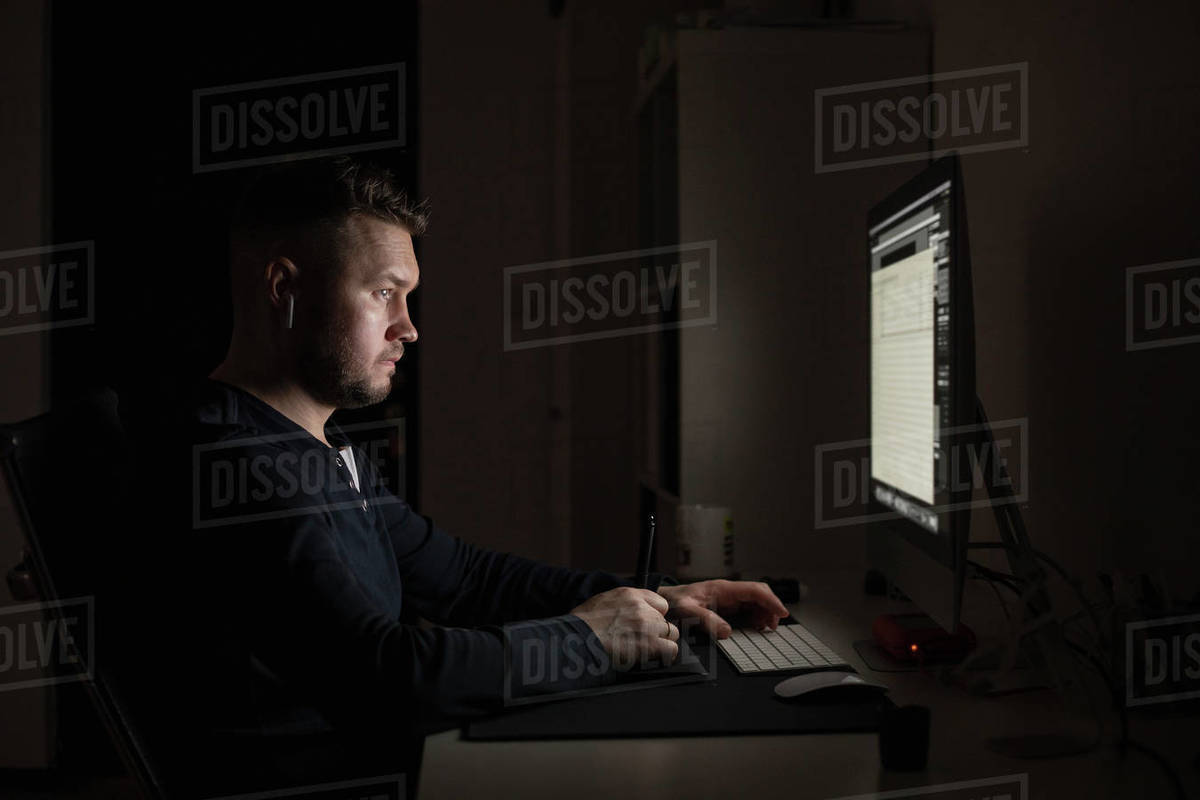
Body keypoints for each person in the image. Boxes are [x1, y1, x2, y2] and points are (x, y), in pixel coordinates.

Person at [119, 155, 787, 796]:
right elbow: (387, 678)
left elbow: (463, 578)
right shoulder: (237, 470)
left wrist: (660, 594)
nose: (407, 328)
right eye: (384, 294)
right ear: (284, 289)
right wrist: (589, 638)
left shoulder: (312, 445)